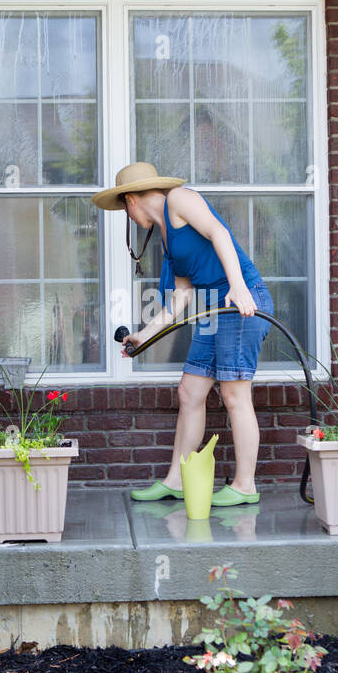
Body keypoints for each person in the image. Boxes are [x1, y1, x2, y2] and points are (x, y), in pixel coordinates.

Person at [92, 162, 274, 506]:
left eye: (124, 210)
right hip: (211, 306)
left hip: (240, 301)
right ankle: (176, 480)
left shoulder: (179, 199)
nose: (128, 218)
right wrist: (144, 335)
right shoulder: (166, 237)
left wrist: (237, 286)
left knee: (234, 395)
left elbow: (219, 233)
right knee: (190, 391)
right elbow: (181, 296)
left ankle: (245, 485)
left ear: (132, 200)